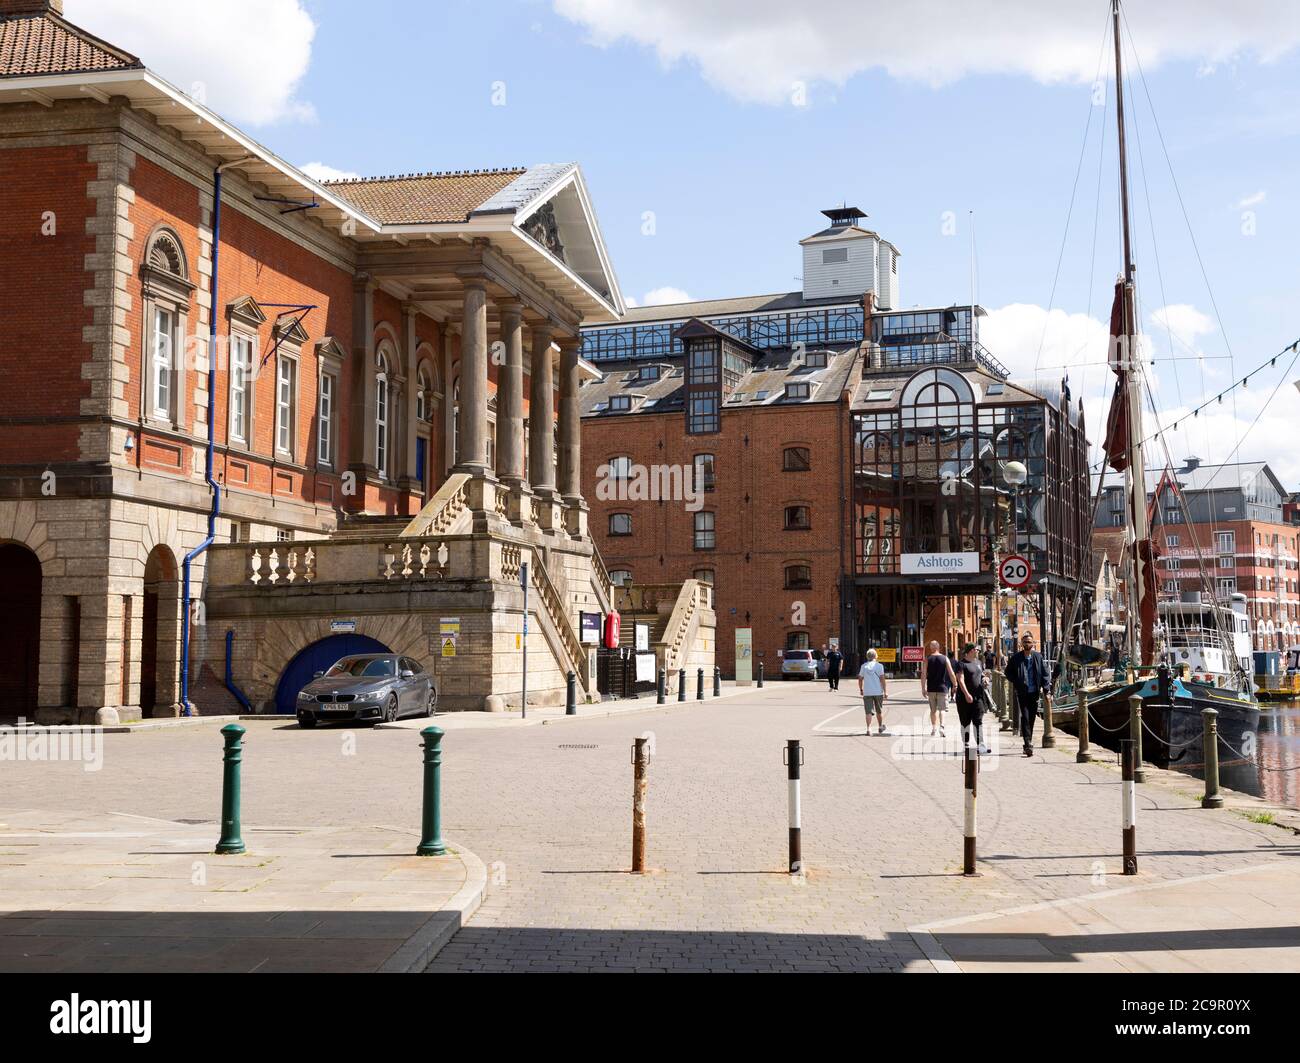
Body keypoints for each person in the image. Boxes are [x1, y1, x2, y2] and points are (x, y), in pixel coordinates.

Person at [1005, 632, 1047, 758]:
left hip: (1034, 692)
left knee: (1032, 717)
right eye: (1025, 642)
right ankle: (1028, 743)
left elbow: (1045, 673)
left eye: (1029, 642)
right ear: (1021, 644)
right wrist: (1017, 681)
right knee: (1025, 716)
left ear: (1033, 643)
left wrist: (1046, 689)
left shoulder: (1038, 657)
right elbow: (1008, 672)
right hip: (1022, 692)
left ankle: (1027, 741)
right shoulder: (1016, 658)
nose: (1027, 644)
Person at [953, 642, 990, 754]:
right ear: (970, 651)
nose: (978, 651)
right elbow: (960, 679)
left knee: (978, 720)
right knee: (965, 721)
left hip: (978, 697)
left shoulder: (978, 662)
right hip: (964, 698)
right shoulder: (961, 664)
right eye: (976, 649)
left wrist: (985, 679)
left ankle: (981, 745)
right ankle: (966, 744)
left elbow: (982, 674)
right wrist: (966, 694)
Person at [922, 641, 954, 738]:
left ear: (931, 648)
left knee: (933, 710)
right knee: (942, 710)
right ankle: (942, 727)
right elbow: (951, 673)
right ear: (938, 647)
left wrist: (923, 688)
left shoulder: (927, 659)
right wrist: (955, 684)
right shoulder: (945, 658)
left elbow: (923, 674)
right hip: (943, 688)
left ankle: (933, 729)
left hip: (931, 688)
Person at [857, 647, 889, 735]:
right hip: (878, 691)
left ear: (867, 656)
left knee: (868, 712)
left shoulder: (863, 666)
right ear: (875, 656)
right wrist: (885, 691)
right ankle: (880, 726)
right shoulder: (879, 666)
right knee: (879, 711)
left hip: (867, 691)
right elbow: (882, 679)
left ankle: (868, 729)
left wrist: (861, 689)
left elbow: (860, 679)